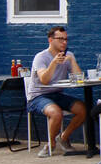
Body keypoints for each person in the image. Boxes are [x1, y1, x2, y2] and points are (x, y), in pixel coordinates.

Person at [27, 25, 86, 156]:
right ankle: (50, 143)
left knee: (82, 109)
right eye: (60, 39)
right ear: (50, 40)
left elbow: (79, 79)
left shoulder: (68, 55)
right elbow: (44, 80)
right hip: (38, 96)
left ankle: (63, 137)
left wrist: (71, 60)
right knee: (56, 113)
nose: (64, 42)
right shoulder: (41, 57)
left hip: (56, 94)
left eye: (66, 39)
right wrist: (53, 63)